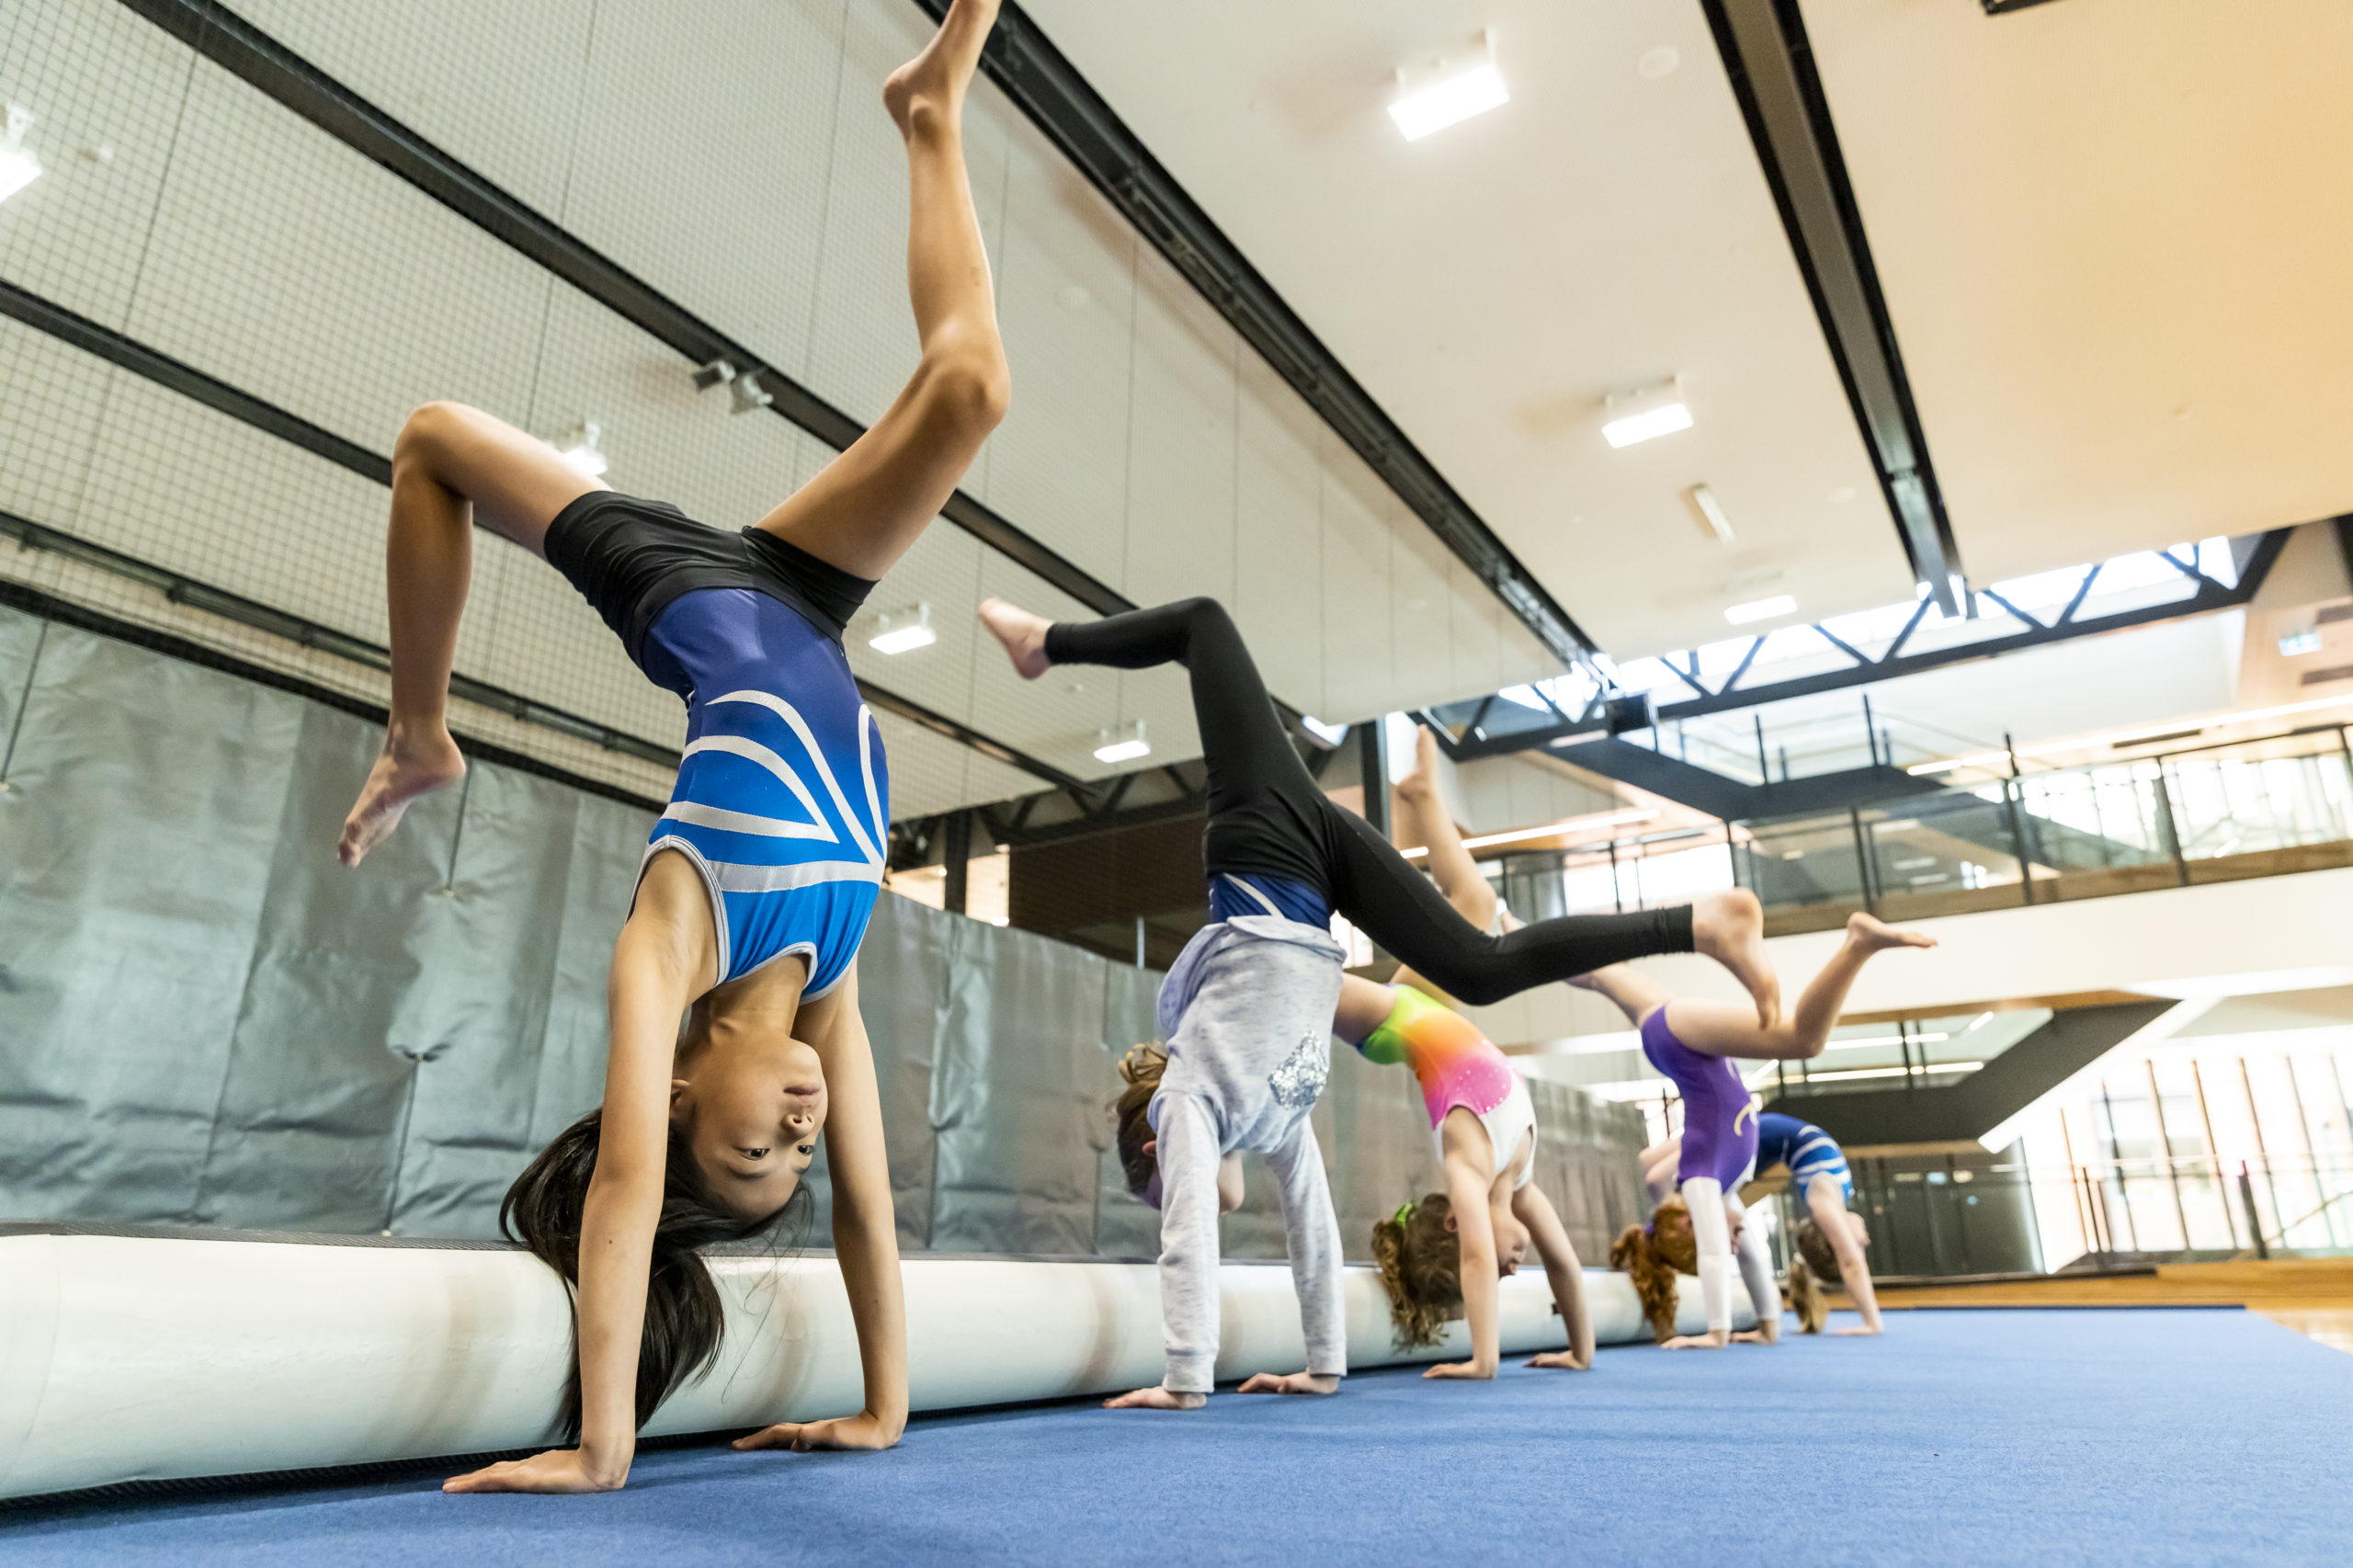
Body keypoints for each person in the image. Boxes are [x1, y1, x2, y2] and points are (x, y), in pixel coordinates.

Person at [335, 0, 1012, 1493]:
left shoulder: (672, 931)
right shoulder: (826, 990)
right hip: (810, 601)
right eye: (787, 1156)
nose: (794, 1135)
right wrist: (887, 1409)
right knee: (970, 392)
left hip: (697, 604)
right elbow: (868, 1215)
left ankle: (421, 731)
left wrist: (602, 1446)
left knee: (433, 436)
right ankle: (929, 112)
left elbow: (629, 1189)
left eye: (749, 1150)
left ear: (687, 1086)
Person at [981, 594, 1779, 1409]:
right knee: (1479, 966)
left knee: (1205, 626)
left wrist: (1185, 1379)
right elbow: (1313, 1238)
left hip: (1263, 848)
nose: (1175, 1204)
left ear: (1155, 1151)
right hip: (1319, 883)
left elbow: (1189, 1238)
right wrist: (1323, 1365)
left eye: (1159, 1192)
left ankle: (1046, 644)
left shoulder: (1190, 1102)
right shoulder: (1274, 1118)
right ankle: (1696, 922)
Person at [1338, 734, 1593, 1380]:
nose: (1512, 1271)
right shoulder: (1521, 1179)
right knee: (1477, 906)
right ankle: (1424, 796)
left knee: (1284, 975)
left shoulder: (1470, 1164)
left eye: (1499, 1275)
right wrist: (1581, 1350)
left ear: (1456, 1223)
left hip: (1392, 1025)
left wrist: (1484, 1359)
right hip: (1426, 1005)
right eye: (1511, 1276)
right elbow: (1564, 1262)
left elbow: (1478, 1260)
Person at [1587, 911, 1935, 1348]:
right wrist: (1768, 1326)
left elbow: (1714, 1254)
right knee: (1600, 974)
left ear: (1695, 1224)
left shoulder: (1704, 1183)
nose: (1735, 1239)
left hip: (1684, 1047)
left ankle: (1852, 944)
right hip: (1693, 1055)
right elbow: (1749, 1256)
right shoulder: (1728, 1184)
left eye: (1720, 1231)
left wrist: (1716, 1334)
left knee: (1801, 1040)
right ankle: (1515, 930)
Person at [1756, 1112, 1882, 1335]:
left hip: (1762, 1134)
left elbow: (1852, 1263)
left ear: (1838, 1240)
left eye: (1860, 1246)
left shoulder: (1823, 1204)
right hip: (1767, 1137)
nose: (1866, 1240)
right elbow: (1852, 1260)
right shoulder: (1837, 1199)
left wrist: (1872, 1322)